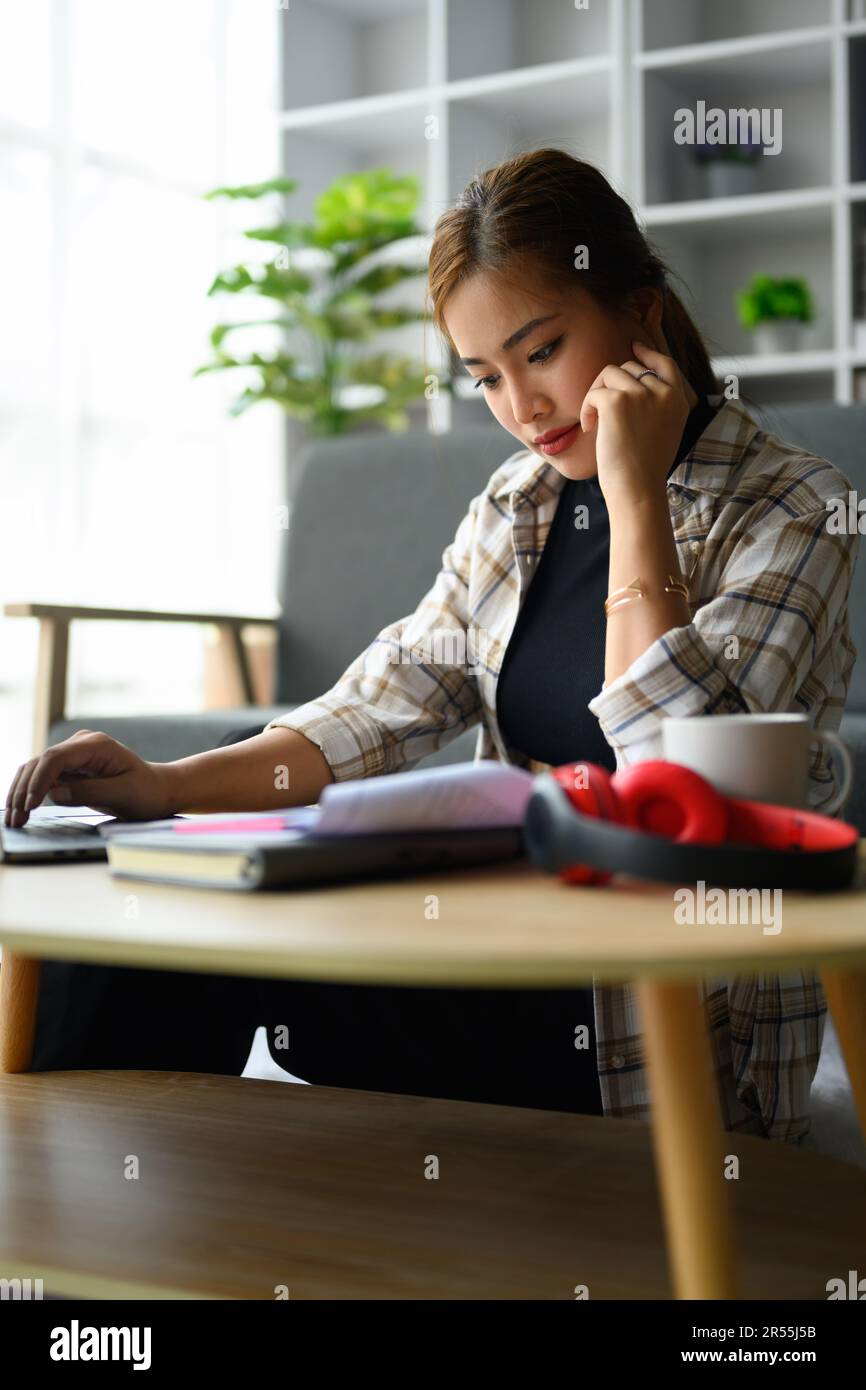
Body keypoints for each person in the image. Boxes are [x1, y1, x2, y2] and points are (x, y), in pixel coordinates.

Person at [5, 148, 857, 1142]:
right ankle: (68, 1233)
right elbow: (377, 708)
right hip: (494, 941)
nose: (520, 407)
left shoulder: (795, 506)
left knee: (211, 959)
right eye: (484, 375)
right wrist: (164, 787)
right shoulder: (517, 503)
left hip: (641, 1017)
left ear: (640, 315)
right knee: (126, 919)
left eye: (540, 351)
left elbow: (679, 781)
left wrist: (632, 495)